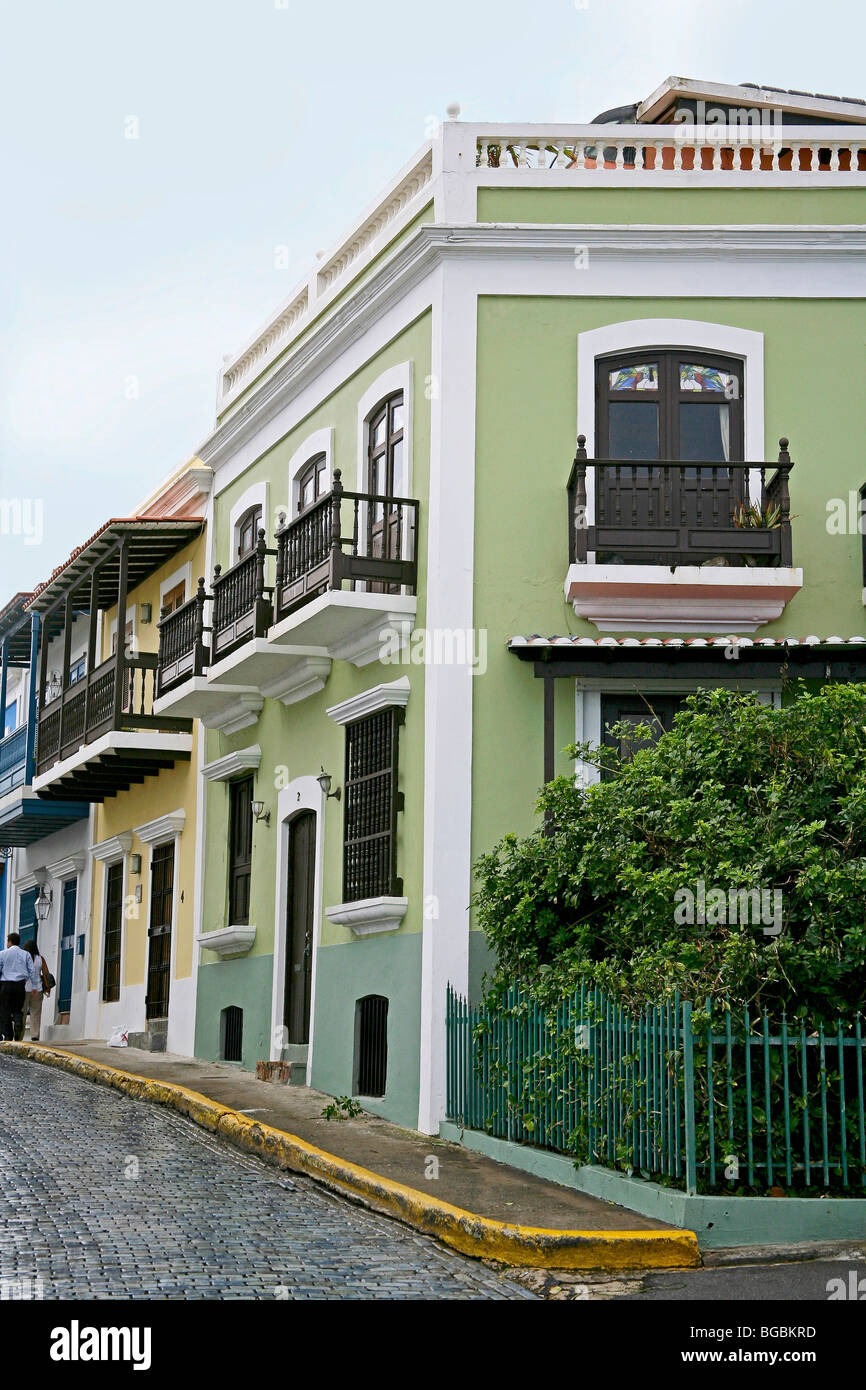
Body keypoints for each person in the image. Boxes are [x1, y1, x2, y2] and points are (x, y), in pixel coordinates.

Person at [0, 934, 41, 1041]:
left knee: (5, 1010)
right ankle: (18, 1022)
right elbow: (31, 971)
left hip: (6, 985)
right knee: (18, 1008)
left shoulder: (3, 954)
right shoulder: (26, 954)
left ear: (9, 942)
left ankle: (8, 1035)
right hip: (20, 985)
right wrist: (35, 986)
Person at [20, 939, 50, 1042]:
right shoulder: (40, 959)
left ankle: (19, 1035)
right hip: (37, 989)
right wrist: (48, 988)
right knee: (36, 1013)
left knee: (22, 1013)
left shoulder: (22, 958)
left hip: (24, 989)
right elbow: (46, 974)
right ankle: (35, 1035)